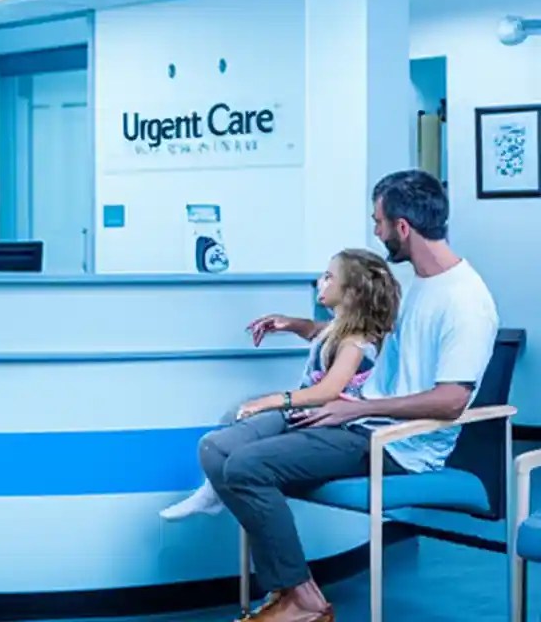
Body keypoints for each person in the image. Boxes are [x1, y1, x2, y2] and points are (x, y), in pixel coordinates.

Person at [199, 169, 498, 622]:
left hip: (395, 442)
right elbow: (366, 339)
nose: (375, 232)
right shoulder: (421, 284)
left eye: (378, 222)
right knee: (217, 447)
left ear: (403, 227)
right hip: (357, 420)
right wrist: (300, 326)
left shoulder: (466, 301)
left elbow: (451, 400)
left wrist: (359, 407)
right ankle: (300, 594)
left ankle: (298, 599)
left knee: (244, 466)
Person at [160, 248, 399, 521]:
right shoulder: (340, 327)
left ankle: (218, 493)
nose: (321, 282)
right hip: (302, 415)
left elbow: (327, 391)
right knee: (226, 430)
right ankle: (212, 492)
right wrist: (290, 324)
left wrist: (269, 401)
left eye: (329, 277)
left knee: (242, 436)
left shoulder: (356, 342)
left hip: (326, 427)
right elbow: (317, 332)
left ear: (351, 293)